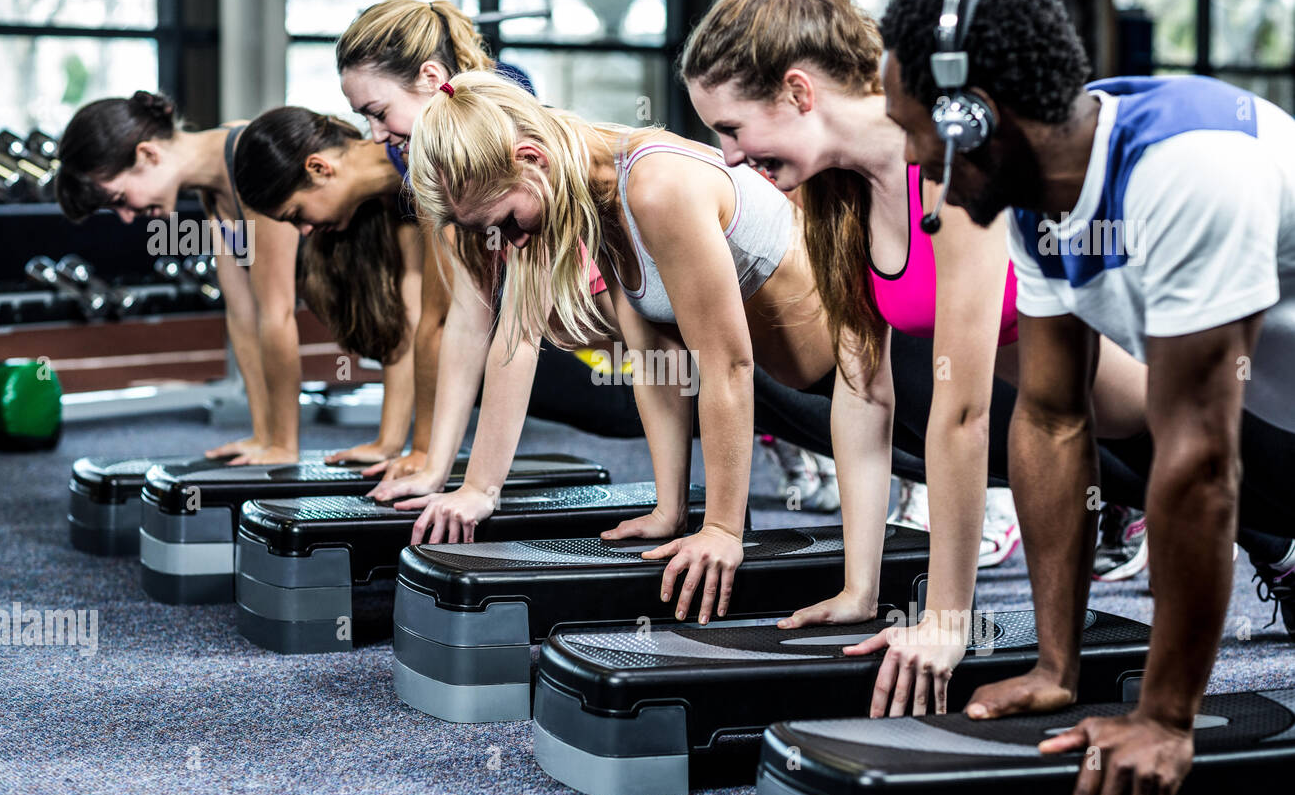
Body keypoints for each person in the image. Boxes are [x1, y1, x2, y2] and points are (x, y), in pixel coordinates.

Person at [681, 0, 1152, 713]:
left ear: (799, 93)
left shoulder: (947, 164)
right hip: (1058, 435)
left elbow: (962, 411)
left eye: (731, 129)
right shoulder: (836, 194)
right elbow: (863, 392)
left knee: (1259, 503)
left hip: (1155, 421)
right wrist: (859, 587)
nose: (730, 155)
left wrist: (946, 620)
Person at [879, 0, 1295, 795]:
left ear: (973, 115)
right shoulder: (1040, 190)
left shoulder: (1190, 166)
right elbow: (1052, 417)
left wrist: (1166, 718)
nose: (918, 168)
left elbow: (1199, 463)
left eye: (916, 134)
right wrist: (1054, 667)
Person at [405, 70, 854, 624]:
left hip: (853, 379)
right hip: (803, 392)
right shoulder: (592, 195)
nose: (513, 240)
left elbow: (727, 366)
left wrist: (721, 529)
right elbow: (654, 360)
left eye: (509, 222)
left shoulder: (654, 186)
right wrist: (670, 510)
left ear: (531, 159)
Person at [55, 91, 304, 465]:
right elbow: (241, 314)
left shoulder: (250, 157)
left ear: (148, 155)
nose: (127, 216)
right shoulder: (213, 185)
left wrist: (284, 448)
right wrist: (262, 437)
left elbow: (277, 312)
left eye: (120, 199)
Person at [231, 106, 437, 466]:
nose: (305, 231)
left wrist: (422, 453)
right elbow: (411, 315)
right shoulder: (396, 195)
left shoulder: (429, 159)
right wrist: (388, 444)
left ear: (319, 168)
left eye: (297, 216)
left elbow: (441, 318)